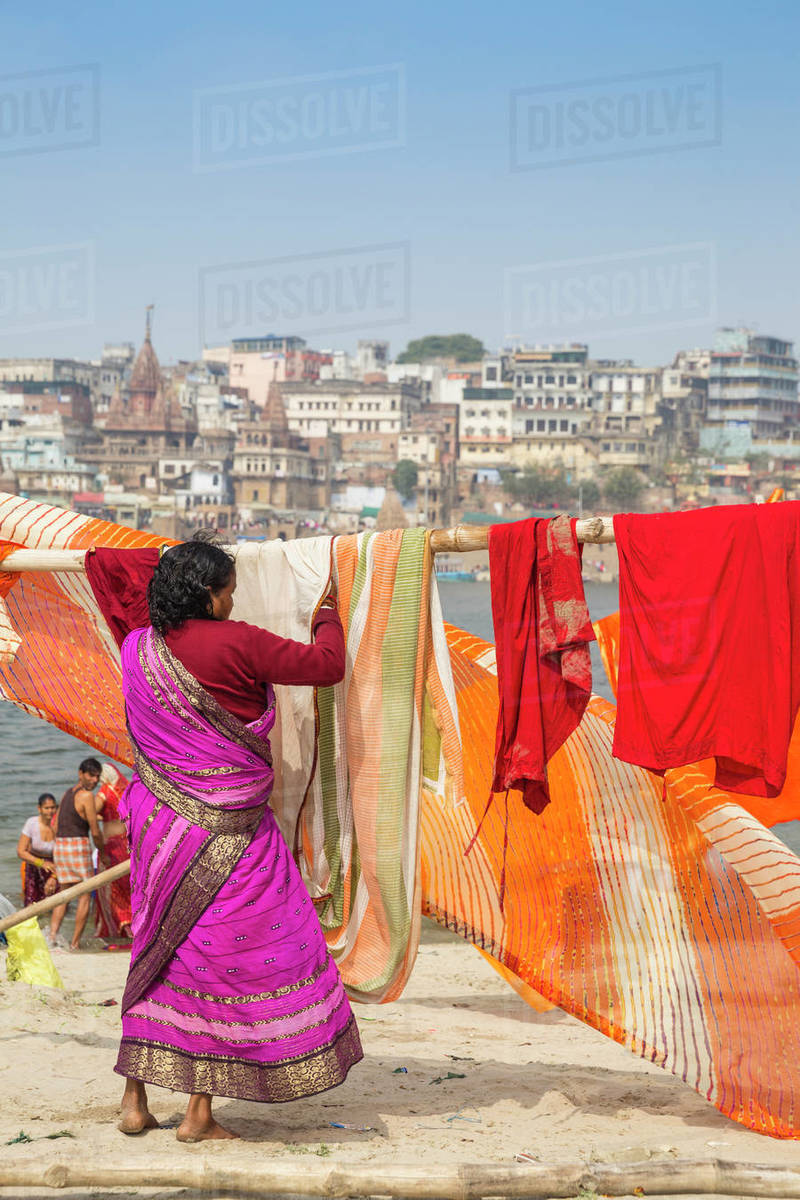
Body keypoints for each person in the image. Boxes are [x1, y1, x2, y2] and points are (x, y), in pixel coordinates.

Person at [115, 537, 362, 1142]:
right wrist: (328, 612)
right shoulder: (241, 642)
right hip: (229, 835)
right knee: (227, 961)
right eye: (228, 588)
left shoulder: (136, 649)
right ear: (210, 592)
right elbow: (327, 665)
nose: (233, 597)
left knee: (158, 947)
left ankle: (134, 1099)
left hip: (156, 826)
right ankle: (198, 1113)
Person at [50, 757, 109, 951]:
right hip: (77, 845)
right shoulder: (86, 796)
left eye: (97, 777)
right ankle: (74, 943)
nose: (94, 780)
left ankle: (52, 937)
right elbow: (94, 830)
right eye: (91, 775)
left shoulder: (67, 793)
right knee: (84, 895)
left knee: (64, 894)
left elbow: (56, 825)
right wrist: (103, 850)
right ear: (80, 774)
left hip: (60, 846)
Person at [94, 763, 133, 941]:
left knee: (112, 887)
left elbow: (91, 811)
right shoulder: (125, 789)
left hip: (112, 844)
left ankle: (121, 927)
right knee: (128, 885)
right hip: (127, 841)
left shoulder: (105, 790)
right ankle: (134, 922)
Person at [17, 793, 59, 922]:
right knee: (30, 904)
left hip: (55, 866)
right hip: (34, 864)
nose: (50, 811)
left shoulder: (60, 824)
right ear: (39, 809)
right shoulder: (32, 823)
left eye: (53, 807)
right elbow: (21, 851)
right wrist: (41, 863)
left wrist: (54, 877)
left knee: (55, 905)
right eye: (46, 808)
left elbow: (65, 854)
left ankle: (53, 936)